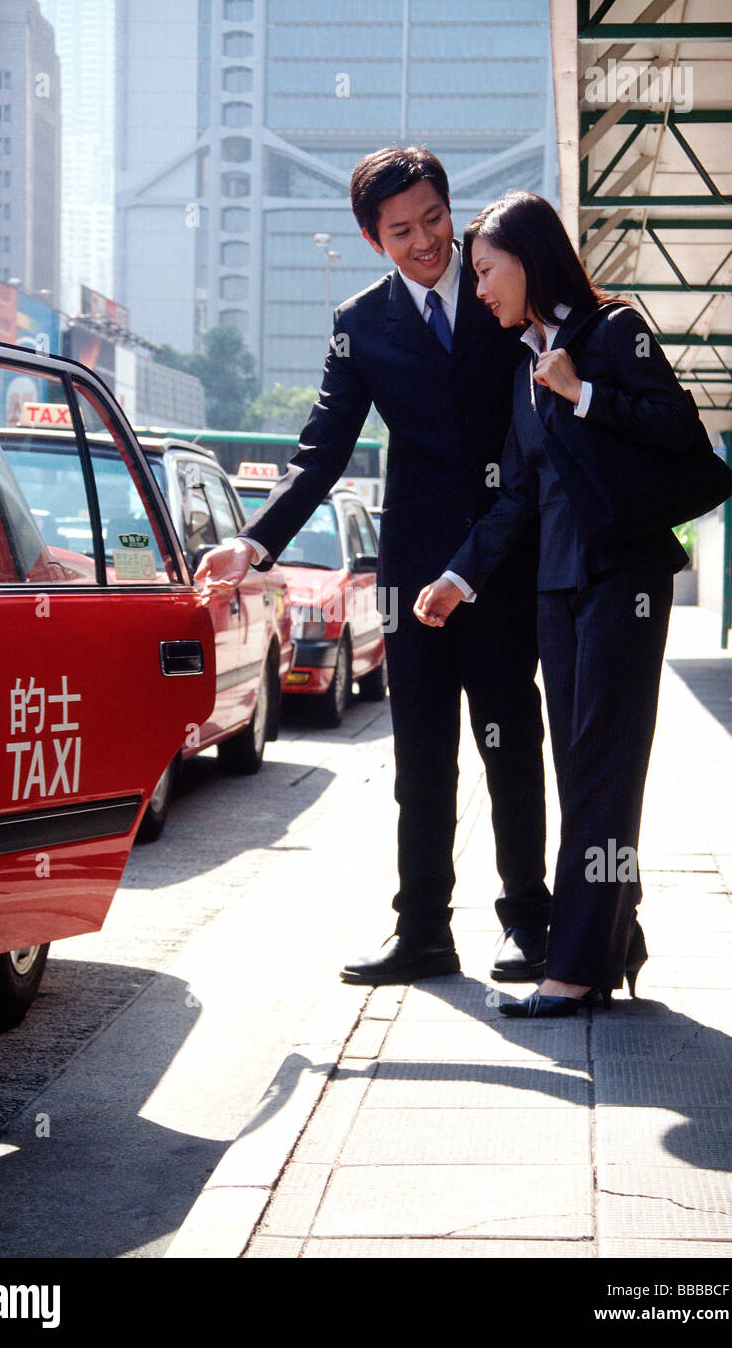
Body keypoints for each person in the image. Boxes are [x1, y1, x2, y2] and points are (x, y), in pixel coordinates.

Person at [196, 147, 550, 986]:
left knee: (511, 743)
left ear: (452, 212)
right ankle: (423, 930)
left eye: (435, 219)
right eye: (402, 230)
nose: (426, 241)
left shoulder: (509, 289)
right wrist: (252, 542)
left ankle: (530, 923)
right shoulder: (360, 324)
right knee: (422, 756)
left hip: (503, 564)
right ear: (372, 239)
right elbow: (319, 452)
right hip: (413, 575)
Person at [415, 190, 697, 1017]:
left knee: (605, 768)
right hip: (555, 585)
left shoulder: (614, 331)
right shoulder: (520, 369)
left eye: (488, 271)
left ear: (530, 261)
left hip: (623, 581)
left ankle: (573, 969)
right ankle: (618, 932)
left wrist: (581, 392)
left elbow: (679, 426)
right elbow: (519, 496)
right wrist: (457, 577)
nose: (479, 290)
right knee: (581, 775)